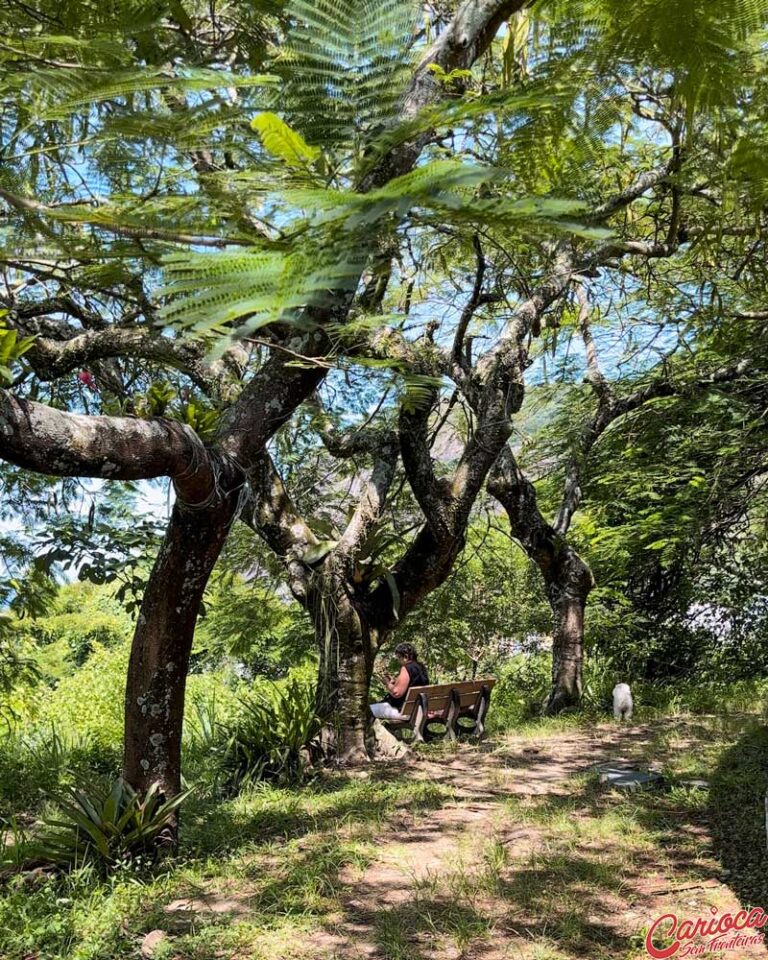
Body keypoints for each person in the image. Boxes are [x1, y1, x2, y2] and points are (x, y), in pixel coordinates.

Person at [370, 642, 429, 720]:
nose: (399, 661)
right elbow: (412, 684)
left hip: (403, 711)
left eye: (399, 657)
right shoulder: (421, 667)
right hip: (417, 709)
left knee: (367, 711)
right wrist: (394, 682)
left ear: (406, 656)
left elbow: (396, 693)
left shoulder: (407, 668)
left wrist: (387, 683)